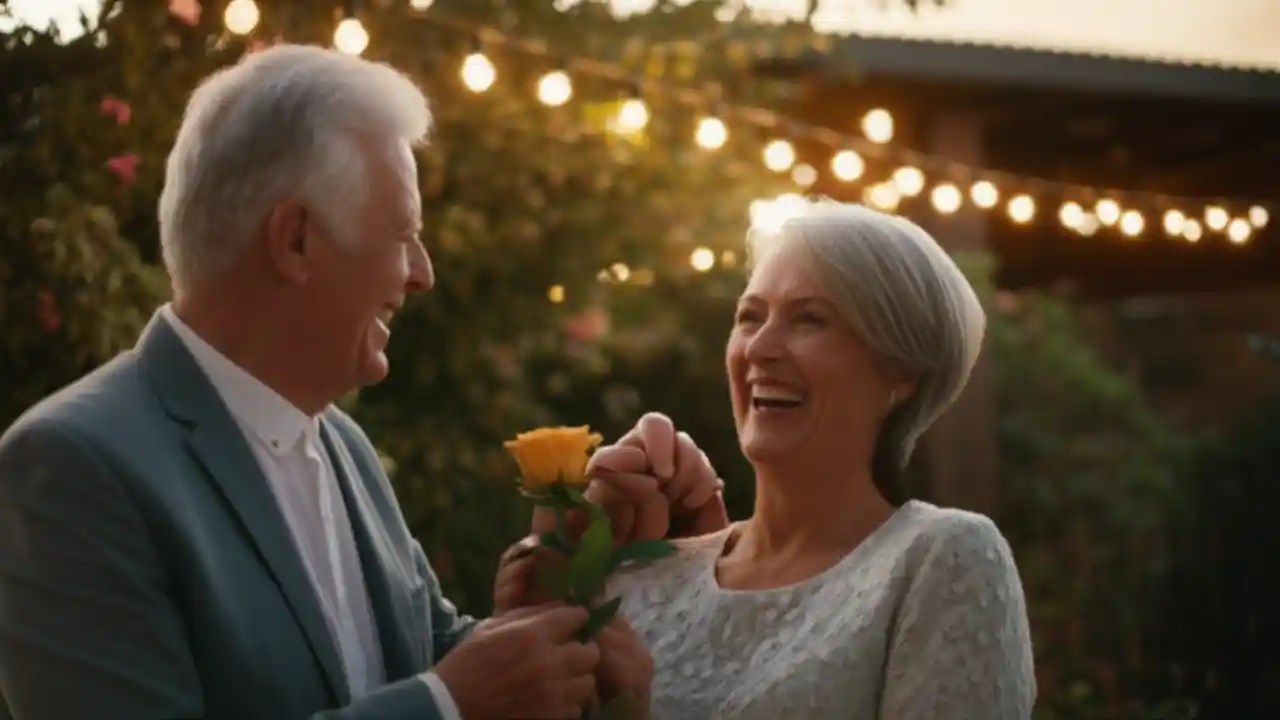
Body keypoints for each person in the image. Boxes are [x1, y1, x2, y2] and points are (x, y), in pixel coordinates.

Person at [0, 45, 721, 720]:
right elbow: (440, 694)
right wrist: (444, 708)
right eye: (403, 233)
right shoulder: (70, 466)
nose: (421, 273)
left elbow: (412, 658)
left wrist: (557, 607)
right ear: (296, 241)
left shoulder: (339, 439)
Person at [509, 202, 1037, 718]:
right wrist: (545, 588)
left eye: (810, 319)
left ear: (901, 372)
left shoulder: (942, 557)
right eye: (749, 316)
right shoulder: (638, 575)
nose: (759, 348)